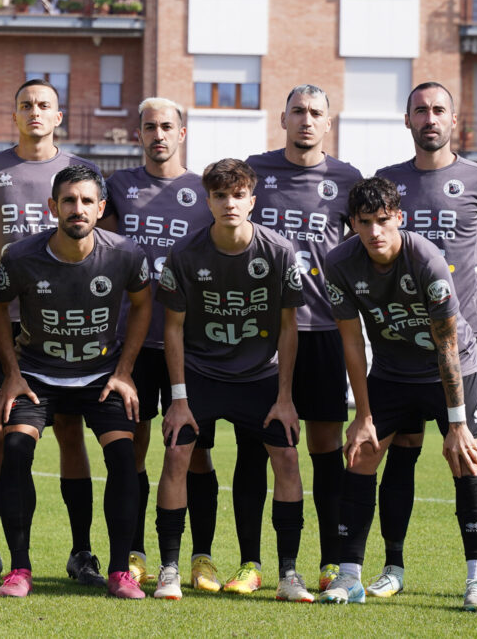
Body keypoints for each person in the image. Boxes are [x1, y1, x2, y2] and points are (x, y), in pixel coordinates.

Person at [0, 79, 106, 587]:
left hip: (66, 321)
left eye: (44, 106)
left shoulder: (81, 173)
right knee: (3, 435)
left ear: (59, 115)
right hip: (6, 319)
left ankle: (81, 551)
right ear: (13, 113)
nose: (35, 112)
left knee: (70, 434)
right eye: (26, 105)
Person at [370, 82, 477, 601]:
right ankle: (393, 566)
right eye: (420, 110)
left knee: (472, 451)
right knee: (402, 451)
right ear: (407, 121)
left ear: (454, 120)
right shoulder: (386, 182)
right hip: (403, 343)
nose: (430, 118)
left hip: (468, 338)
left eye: (439, 110)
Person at [319, 176, 477, 613]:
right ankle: (349, 576)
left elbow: (448, 345)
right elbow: (353, 342)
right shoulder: (339, 263)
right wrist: (362, 414)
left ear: (399, 217)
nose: (375, 231)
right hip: (393, 372)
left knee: (464, 456)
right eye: (365, 222)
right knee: (360, 454)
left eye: (383, 220)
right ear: (352, 224)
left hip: (449, 369)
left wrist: (456, 424)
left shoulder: (427, 260)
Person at [153, 159, 311, 602]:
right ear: (208, 201)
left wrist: (284, 397)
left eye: (238, 195)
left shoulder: (278, 251)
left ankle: (288, 574)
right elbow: (173, 329)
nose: (229, 204)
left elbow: (288, 327)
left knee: (287, 459)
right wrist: (179, 399)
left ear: (252, 200)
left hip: (259, 377)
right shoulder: (185, 254)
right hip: (201, 374)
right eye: (220, 196)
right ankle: (168, 568)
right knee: (177, 455)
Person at [0, 165, 151, 599]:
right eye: (68, 200)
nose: (76, 209)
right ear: (52, 207)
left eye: (85, 201)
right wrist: (12, 373)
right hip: (37, 376)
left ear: (100, 208)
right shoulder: (21, 256)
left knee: (122, 455)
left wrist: (124, 371)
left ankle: (120, 571)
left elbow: (142, 305)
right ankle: (19, 568)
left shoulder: (125, 254)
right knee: (17, 448)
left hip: (101, 375)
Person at [244, 84, 362, 594]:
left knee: (323, 446)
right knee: (258, 446)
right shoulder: (256, 171)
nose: (306, 120)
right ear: (283, 118)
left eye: (316, 113)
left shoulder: (348, 179)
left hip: (323, 330)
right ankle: (251, 564)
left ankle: (331, 560)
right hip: (261, 332)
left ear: (328, 123)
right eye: (298, 112)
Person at [97, 97, 216, 588]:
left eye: (167, 126)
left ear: (182, 133)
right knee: (137, 447)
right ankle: (135, 551)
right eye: (149, 127)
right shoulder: (119, 186)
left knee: (196, 449)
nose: (159, 135)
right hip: (135, 340)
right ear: (138, 133)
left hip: (192, 344)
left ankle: (202, 556)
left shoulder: (204, 189)